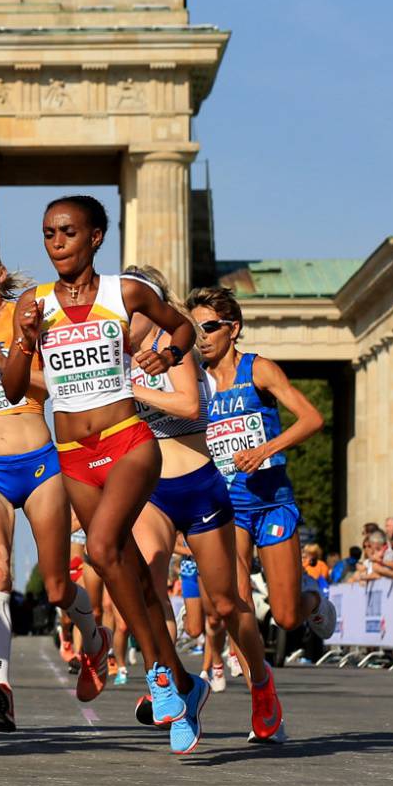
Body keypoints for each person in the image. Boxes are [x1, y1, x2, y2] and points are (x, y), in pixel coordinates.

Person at [2, 195, 209, 753]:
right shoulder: (34, 303)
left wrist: (166, 359)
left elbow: (182, 328)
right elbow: (14, 389)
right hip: (73, 451)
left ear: (95, 237)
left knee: (98, 548)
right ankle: (185, 684)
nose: (57, 243)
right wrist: (24, 338)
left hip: (129, 442)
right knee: (131, 571)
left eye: (68, 232)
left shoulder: (127, 292)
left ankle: (157, 678)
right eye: (48, 234)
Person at [0, 239, 102, 731]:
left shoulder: (26, 317)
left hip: (37, 462)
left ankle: (94, 639)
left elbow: (55, 385)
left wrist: (8, 361)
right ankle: (0, 686)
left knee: (56, 588)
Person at [125, 265, 287, 745]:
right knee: (146, 577)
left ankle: (261, 684)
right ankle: (171, 682)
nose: (124, 317)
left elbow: (190, 407)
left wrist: (128, 388)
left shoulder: (175, 347)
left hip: (198, 486)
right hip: (151, 489)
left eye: (133, 307)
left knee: (225, 602)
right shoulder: (118, 356)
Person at [184, 286, 336, 647]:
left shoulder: (258, 369)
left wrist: (264, 449)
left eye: (209, 327)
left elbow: (312, 419)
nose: (201, 338)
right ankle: (258, 682)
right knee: (236, 603)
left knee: (285, 616)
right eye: (194, 330)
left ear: (233, 328)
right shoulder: (195, 382)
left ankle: (312, 599)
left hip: (271, 501)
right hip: (228, 508)